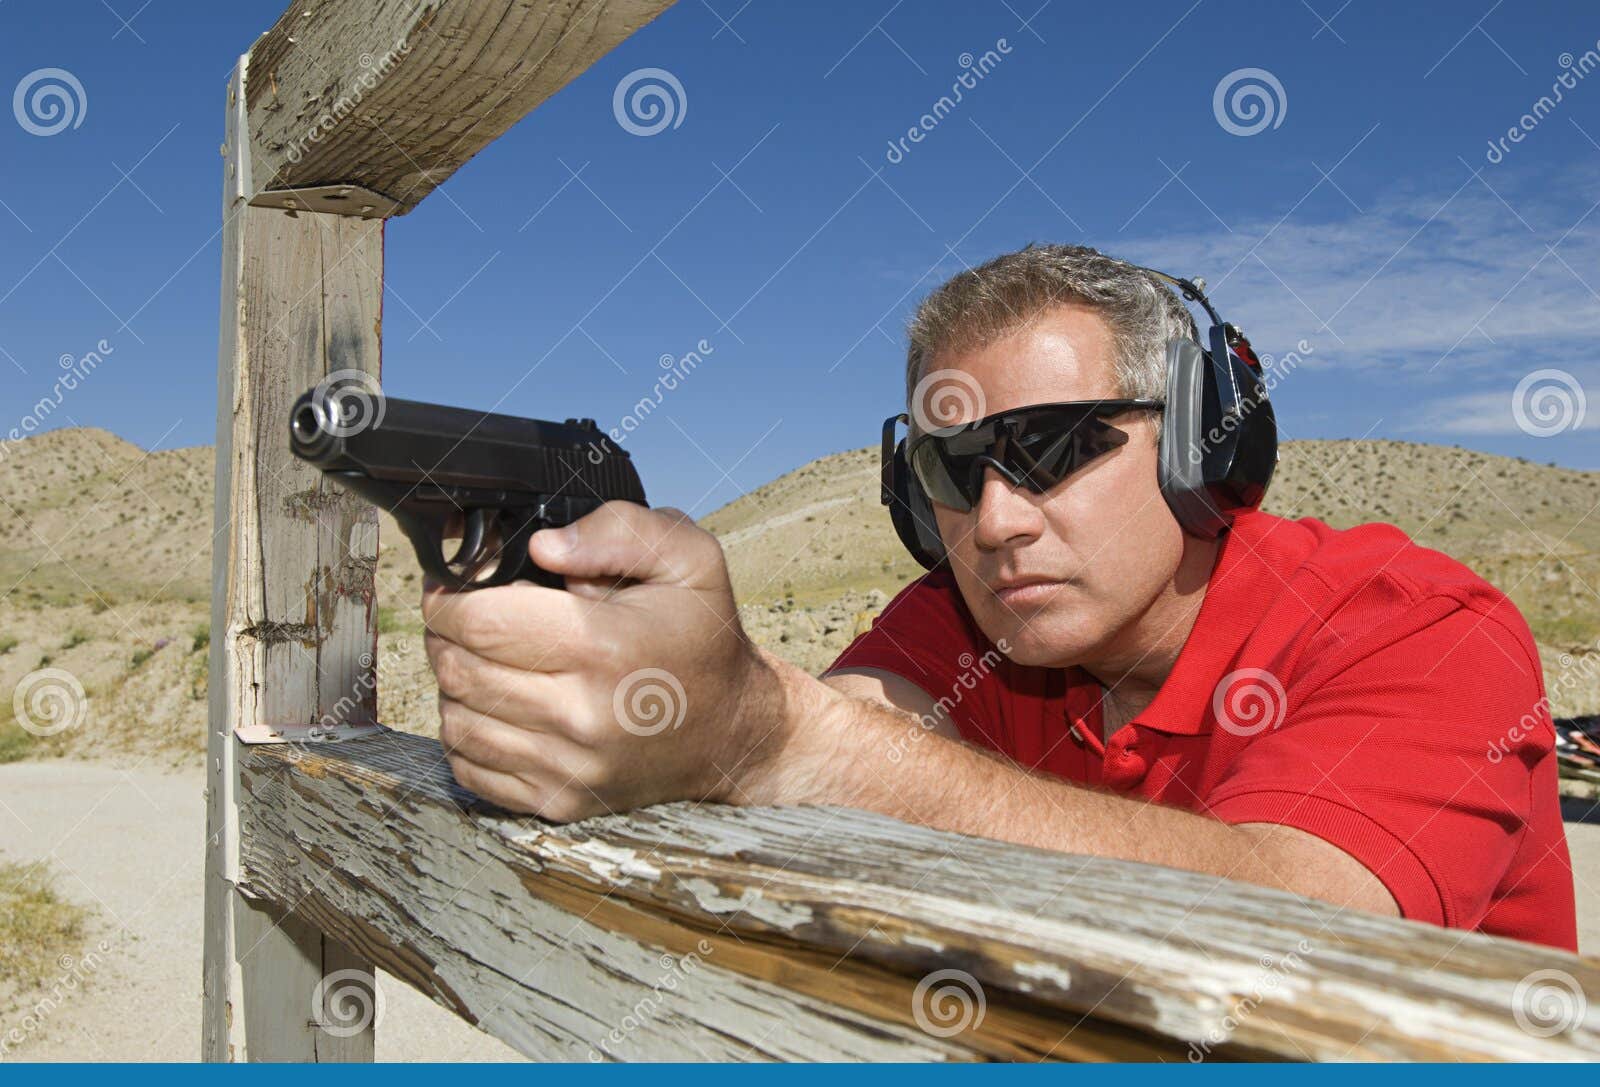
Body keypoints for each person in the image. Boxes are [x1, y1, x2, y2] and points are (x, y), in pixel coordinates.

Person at [420, 244, 1576, 950]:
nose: (997, 520)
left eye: (1056, 446)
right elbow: (848, 725)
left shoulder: (1414, 627)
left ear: (1200, 442)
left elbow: (1311, 927)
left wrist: (768, 737)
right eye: (953, 470)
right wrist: (636, 687)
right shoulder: (975, 619)